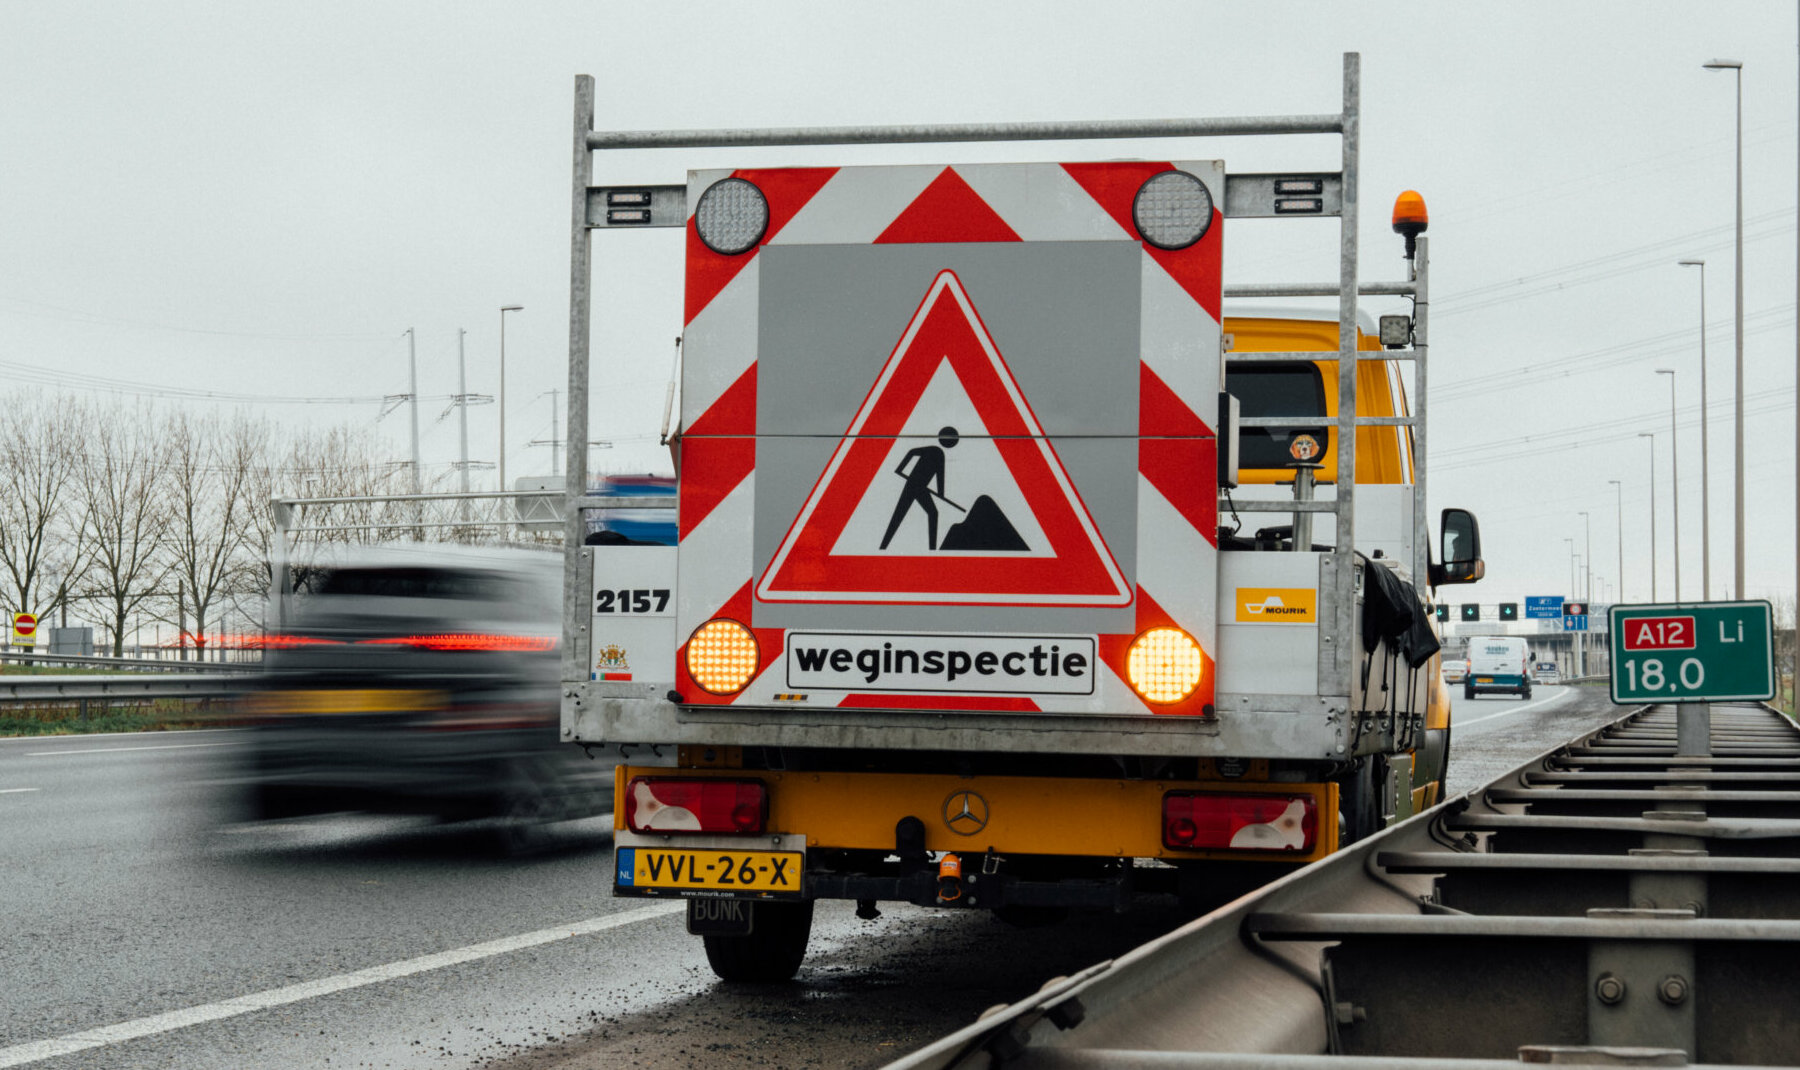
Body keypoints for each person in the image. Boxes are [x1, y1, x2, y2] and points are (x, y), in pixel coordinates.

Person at [880, 427, 958, 550]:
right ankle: (883, 547)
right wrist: (900, 468)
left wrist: (941, 494)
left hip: (921, 488)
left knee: (932, 513)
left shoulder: (939, 454)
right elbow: (912, 452)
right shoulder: (935, 451)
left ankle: (932, 550)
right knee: (899, 515)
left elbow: (940, 476)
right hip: (912, 485)